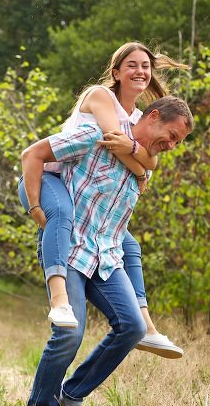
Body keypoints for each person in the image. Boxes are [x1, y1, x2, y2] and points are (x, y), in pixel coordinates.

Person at [22, 95, 194, 406]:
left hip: (105, 256)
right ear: (154, 116)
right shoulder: (98, 133)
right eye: (172, 135)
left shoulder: (143, 165)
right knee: (69, 333)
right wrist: (39, 208)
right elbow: (34, 155)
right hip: (69, 249)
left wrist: (144, 166)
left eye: (179, 142)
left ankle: (69, 398)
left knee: (131, 328)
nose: (173, 145)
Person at [18, 41, 184, 358]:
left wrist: (145, 165)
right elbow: (115, 143)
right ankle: (59, 300)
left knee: (128, 244)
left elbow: (143, 157)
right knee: (62, 215)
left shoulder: (137, 116)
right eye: (132, 64)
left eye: (146, 66)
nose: (140, 71)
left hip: (77, 193)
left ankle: (147, 327)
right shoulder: (101, 96)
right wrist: (142, 168)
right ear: (116, 71)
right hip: (47, 177)